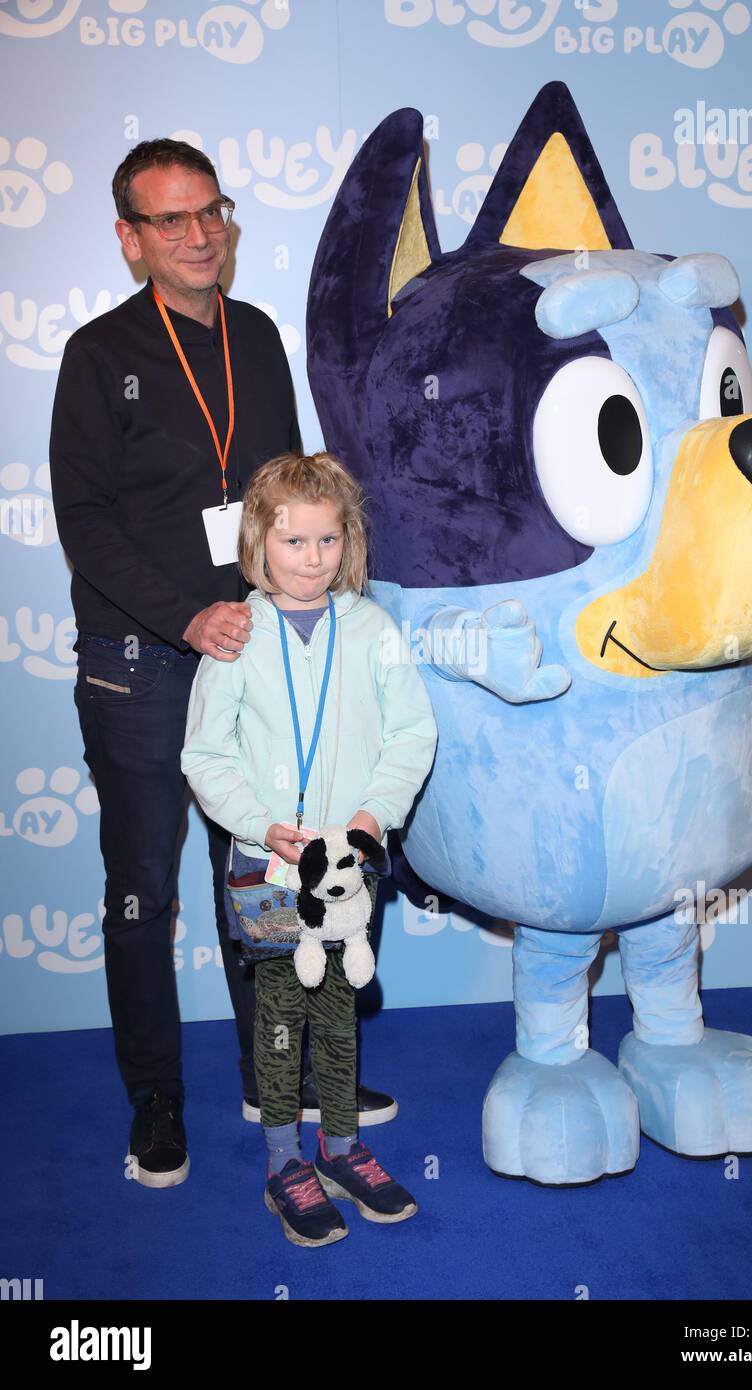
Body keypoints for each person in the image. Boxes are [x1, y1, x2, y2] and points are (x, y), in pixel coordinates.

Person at [48, 138, 396, 1192]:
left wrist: (304, 606)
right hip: (141, 659)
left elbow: (285, 496)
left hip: (248, 646)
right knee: (142, 890)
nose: (198, 233)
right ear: (130, 239)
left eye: (211, 211)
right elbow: (85, 525)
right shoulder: (99, 355)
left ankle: (272, 1075)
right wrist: (185, 617)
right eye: (170, 219)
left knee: (262, 867)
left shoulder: (254, 335)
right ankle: (157, 1102)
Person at [181, 451, 438, 1246]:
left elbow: (412, 731)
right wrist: (260, 825)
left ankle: (344, 1149)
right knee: (282, 1019)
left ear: (348, 542)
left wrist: (371, 816)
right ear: (259, 543)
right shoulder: (236, 636)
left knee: (340, 1013)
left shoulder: (373, 628)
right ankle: (284, 1161)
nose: (312, 559)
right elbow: (206, 757)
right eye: (294, 543)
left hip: (347, 867)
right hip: (268, 865)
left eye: (328, 541)